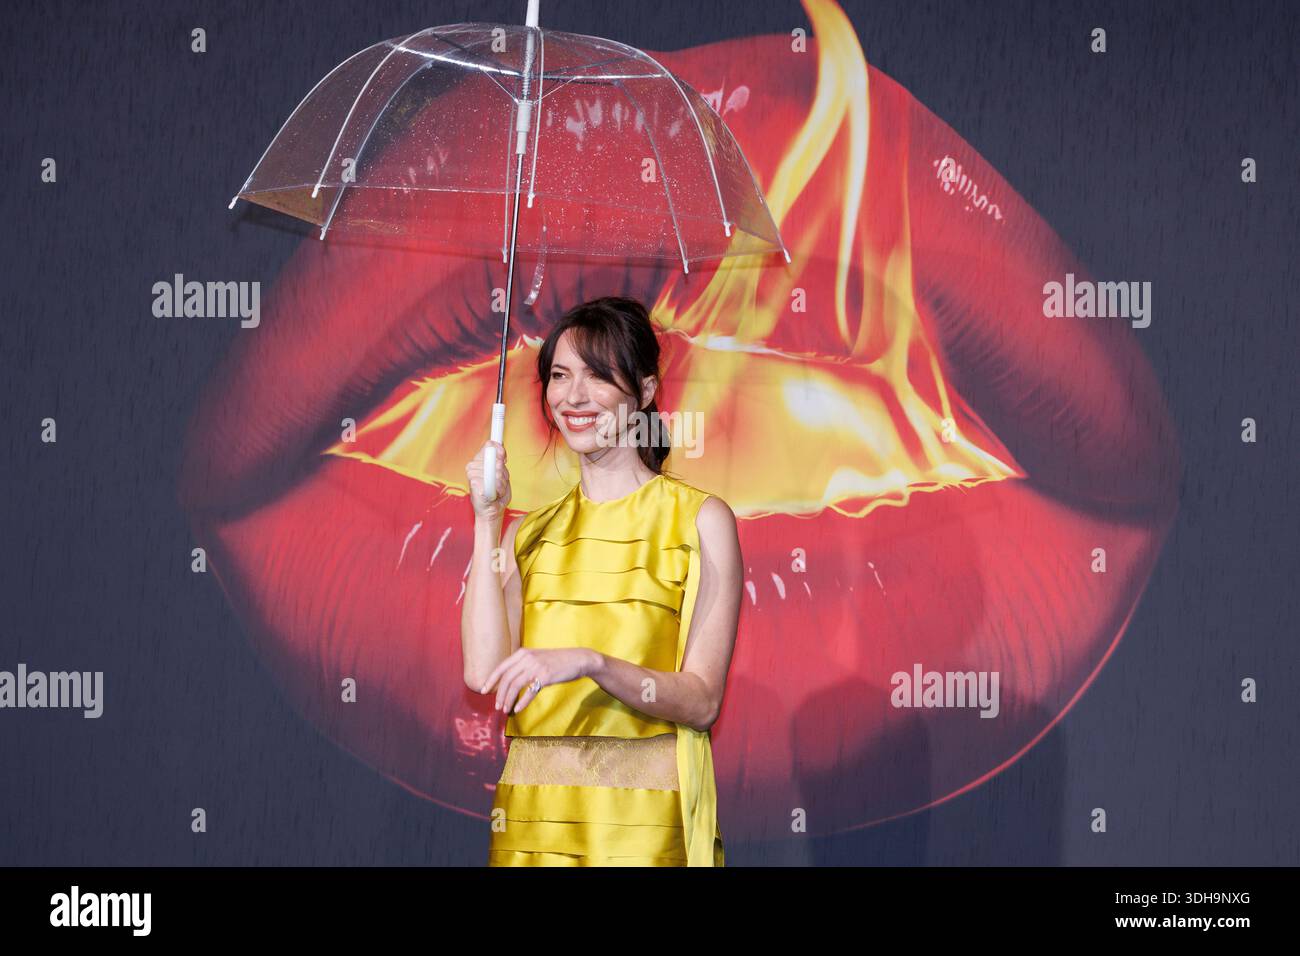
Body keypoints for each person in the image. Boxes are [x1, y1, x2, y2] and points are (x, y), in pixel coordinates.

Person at [461, 295, 742, 866]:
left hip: (639, 833)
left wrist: (591, 663)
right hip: (530, 830)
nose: (573, 396)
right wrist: (487, 520)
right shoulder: (528, 534)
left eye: (597, 375)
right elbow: (483, 671)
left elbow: (702, 701)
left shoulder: (699, 520)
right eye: (560, 376)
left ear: (644, 390)